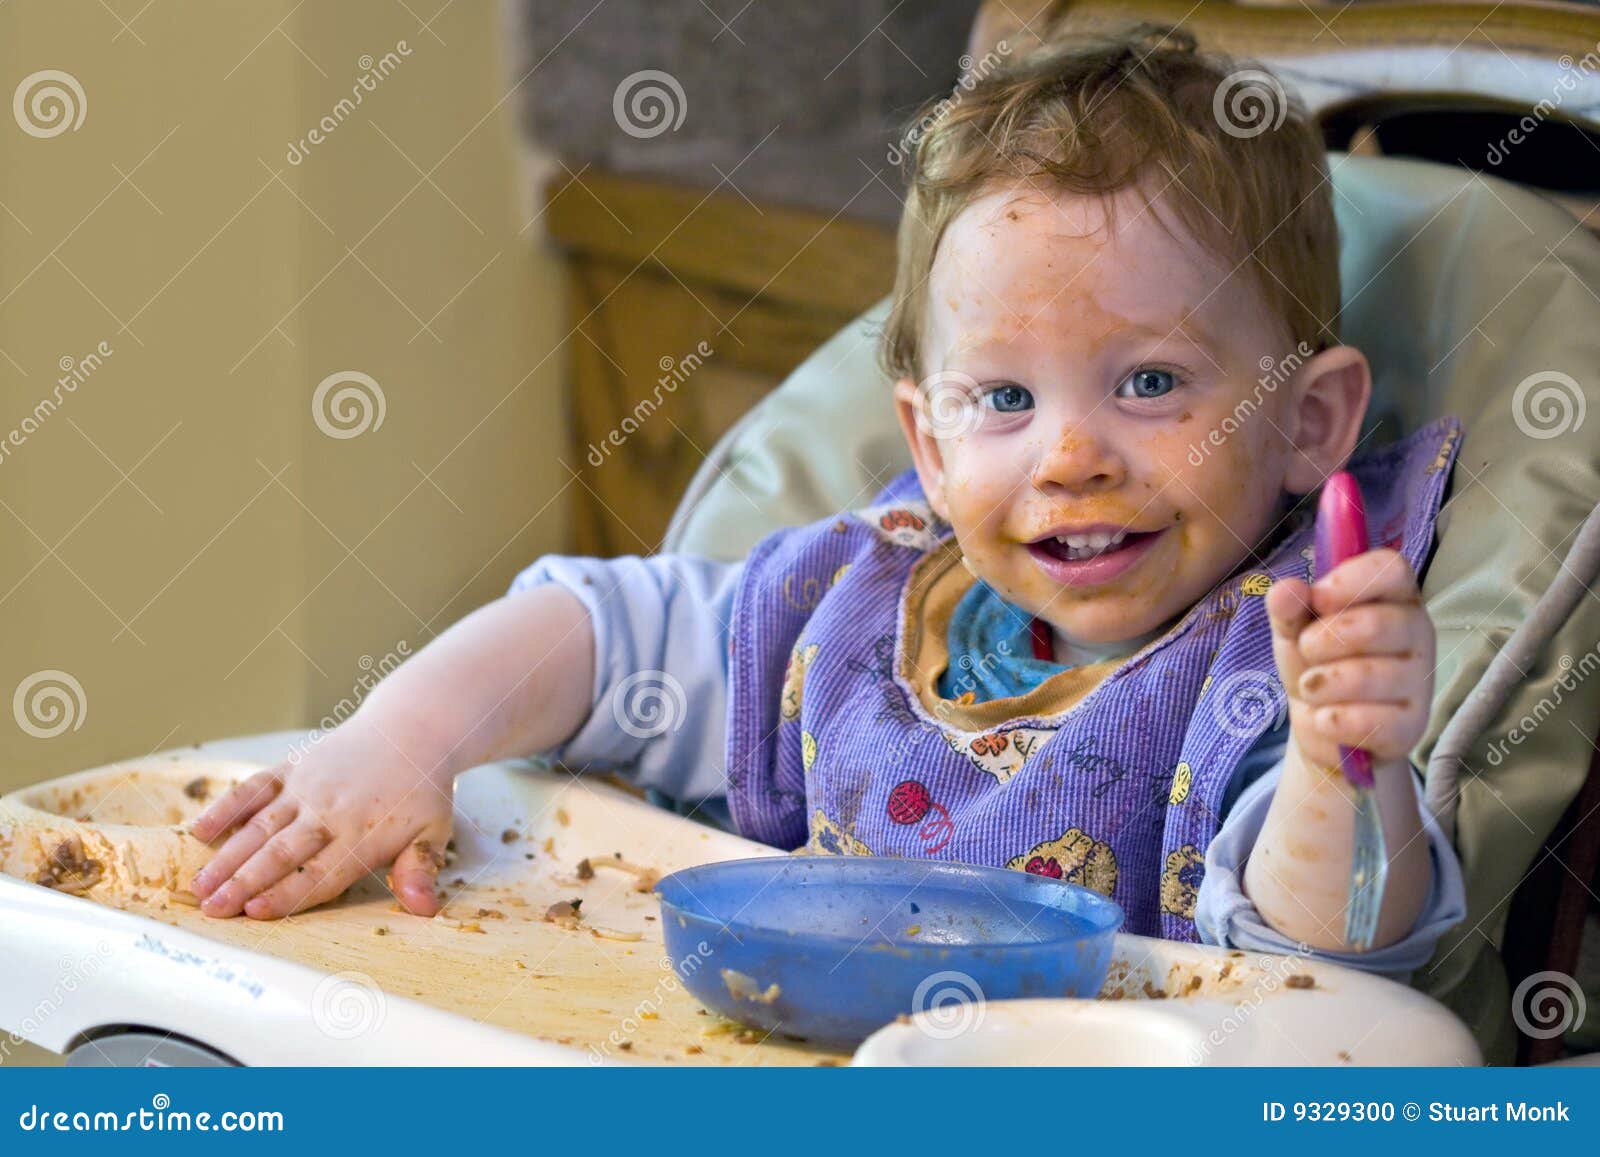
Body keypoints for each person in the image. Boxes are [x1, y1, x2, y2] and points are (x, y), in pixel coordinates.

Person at [189, 25, 1464, 972]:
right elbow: (597, 629)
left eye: (1148, 380)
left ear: (1305, 423)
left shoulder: (1280, 666)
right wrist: (404, 741)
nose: (1069, 455)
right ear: (923, 432)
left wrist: (1344, 761)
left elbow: (1325, 965)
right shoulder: (849, 609)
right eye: (1004, 399)